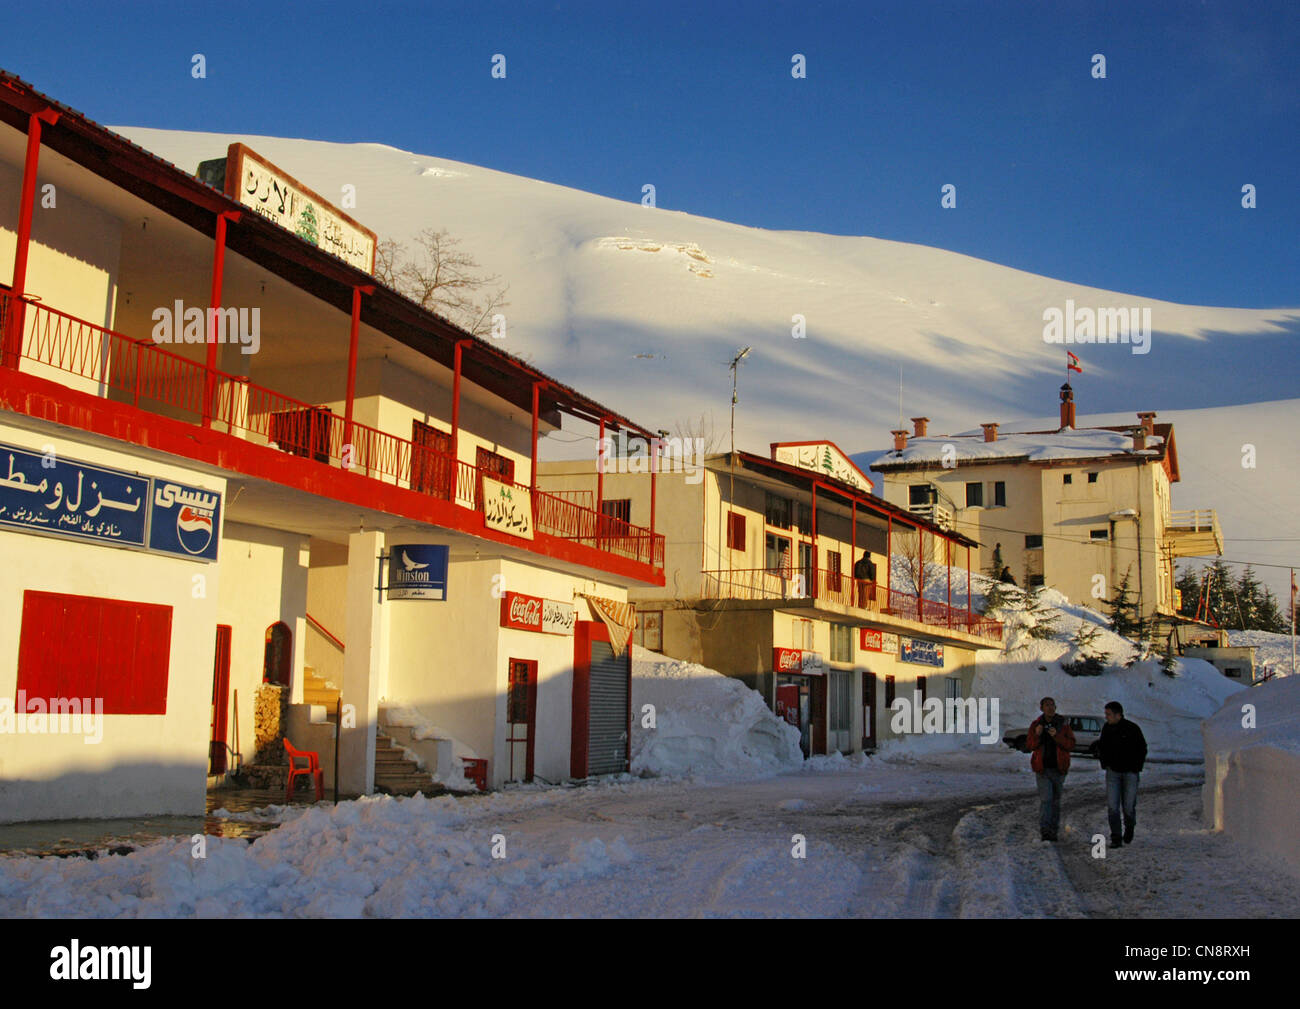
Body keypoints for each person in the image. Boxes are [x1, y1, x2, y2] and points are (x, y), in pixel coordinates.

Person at [1097, 700, 1147, 847]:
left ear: (1118, 715)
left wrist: (1136, 766)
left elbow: (1142, 748)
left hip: (1130, 773)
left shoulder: (1132, 728)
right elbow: (1102, 747)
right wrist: (1105, 763)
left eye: (1109, 714)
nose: (1106, 717)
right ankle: (1116, 837)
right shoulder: (1107, 729)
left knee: (1128, 806)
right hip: (1113, 772)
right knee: (1112, 807)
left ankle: (1129, 827)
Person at [1027, 696, 1075, 841]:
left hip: (1059, 769)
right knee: (1046, 799)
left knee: (1055, 801)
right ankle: (1045, 830)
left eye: (1052, 705)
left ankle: (1053, 829)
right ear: (1041, 708)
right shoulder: (1036, 724)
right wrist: (1037, 734)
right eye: (1047, 705)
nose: (1050, 708)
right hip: (1043, 769)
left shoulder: (1063, 724)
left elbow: (1070, 744)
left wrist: (1057, 736)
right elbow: (1030, 745)